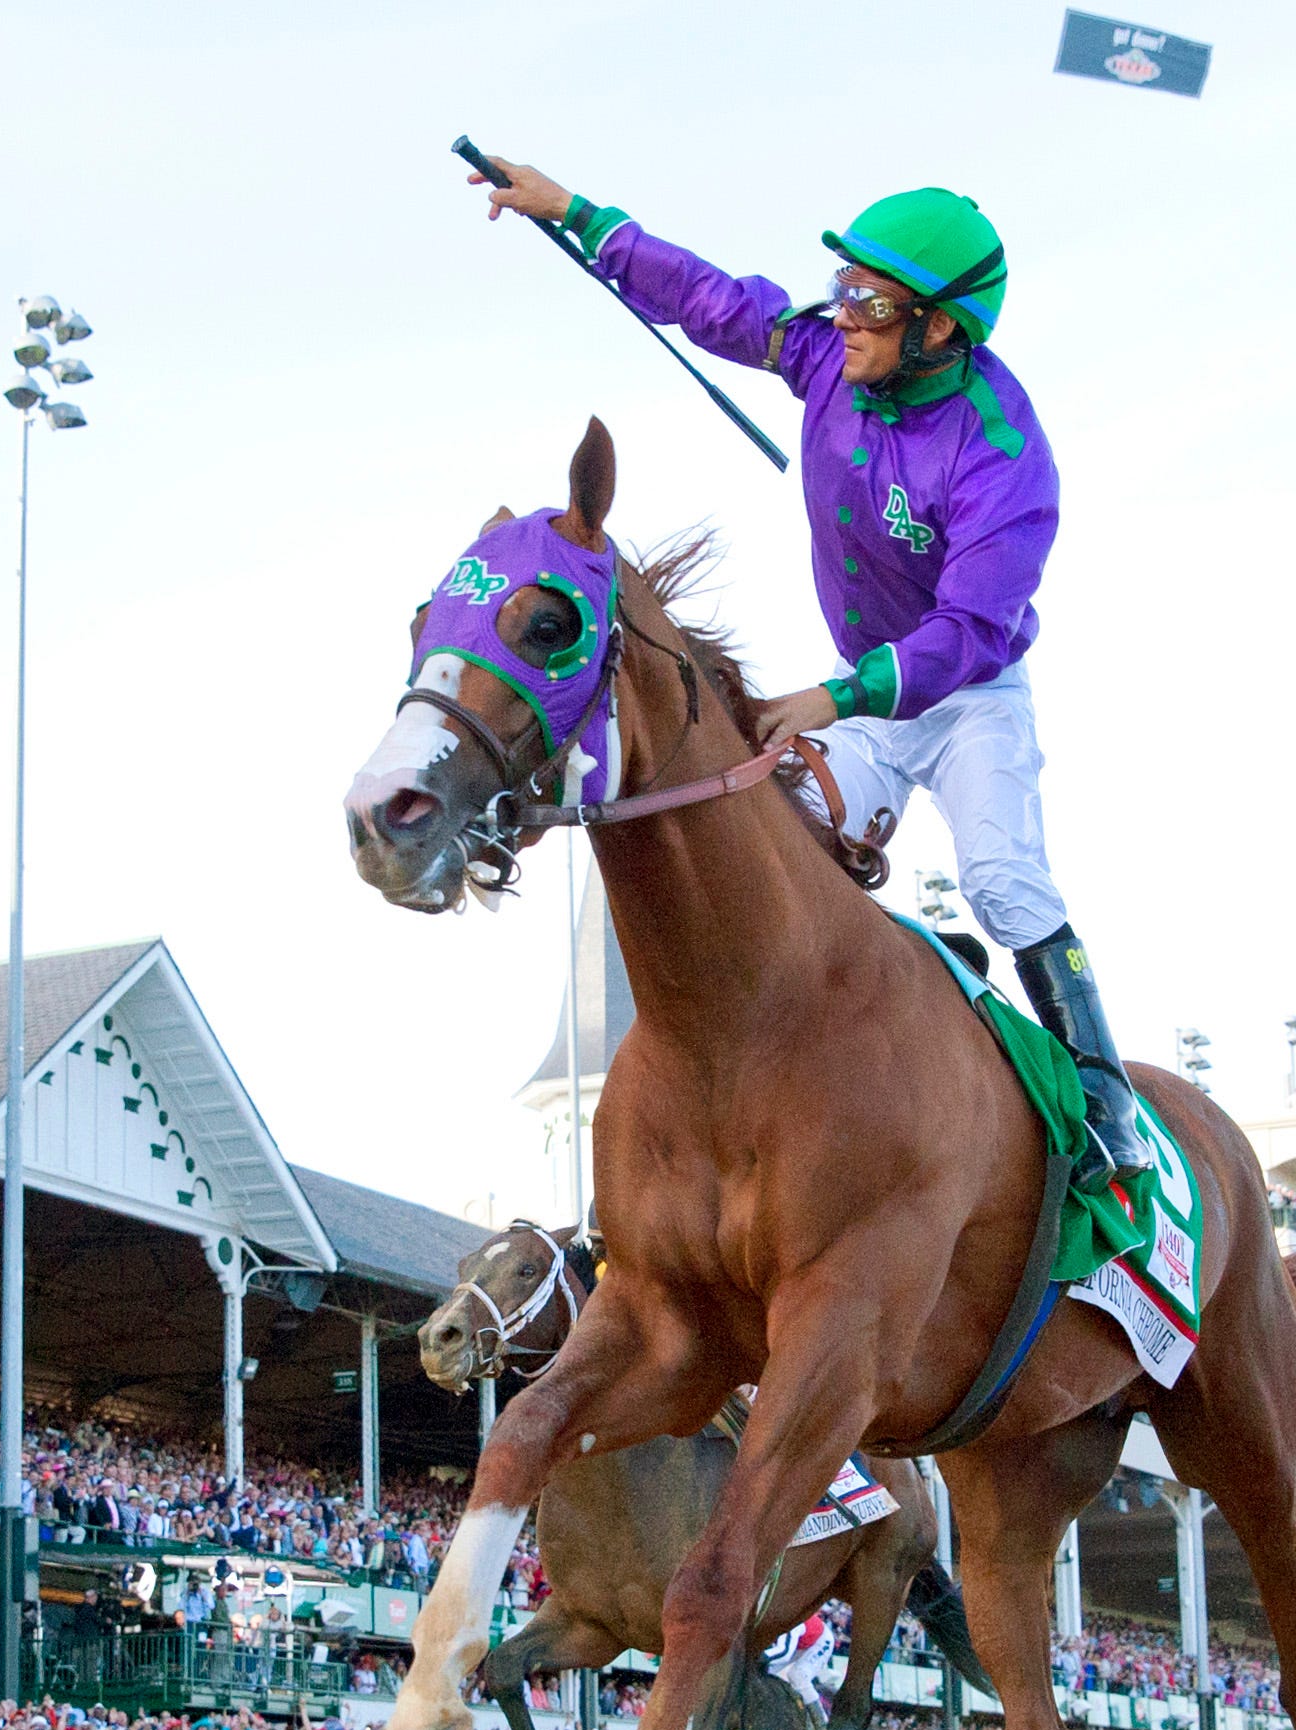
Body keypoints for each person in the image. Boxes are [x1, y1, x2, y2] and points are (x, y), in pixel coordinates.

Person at [471, 157, 1150, 1188]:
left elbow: (966, 631)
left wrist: (833, 697)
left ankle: (1106, 1099)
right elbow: (710, 300)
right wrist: (569, 209)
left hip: (966, 700)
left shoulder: (1005, 458)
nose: (842, 319)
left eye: (870, 303)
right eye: (839, 291)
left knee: (1001, 882)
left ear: (938, 330)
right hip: (862, 683)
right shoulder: (830, 358)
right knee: (779, 830)